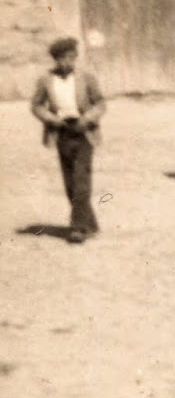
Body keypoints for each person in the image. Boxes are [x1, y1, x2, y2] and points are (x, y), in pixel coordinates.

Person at [30, 37, 106, 244]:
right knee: (70, 183)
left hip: (83, 132)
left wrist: (87, 119)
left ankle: (78, 228)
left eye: (71, 58)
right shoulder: (45, 80)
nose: (67, 63)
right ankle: (90, 223)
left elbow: (100, 103)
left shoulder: (86, 77)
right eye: (62, 59)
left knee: (82, 181)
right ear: (55, 60)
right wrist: (52, 119)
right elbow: (36, 105)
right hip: (61, 132)